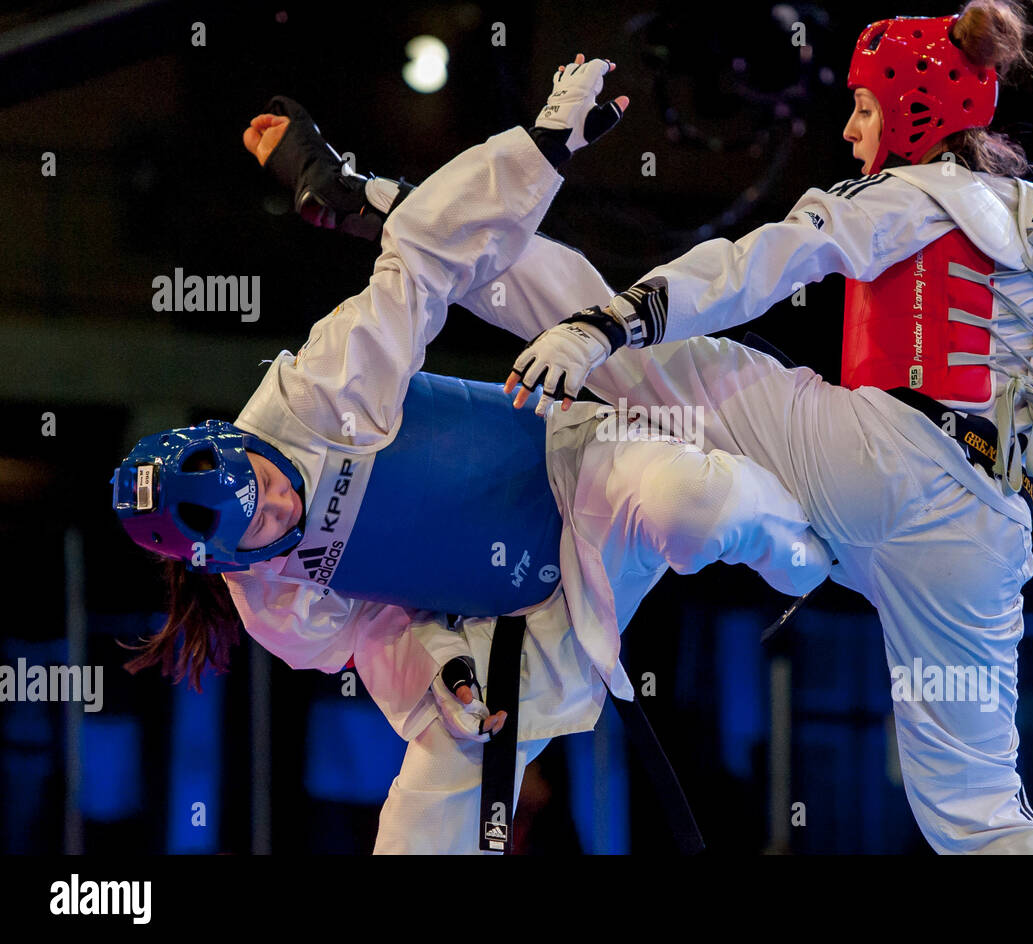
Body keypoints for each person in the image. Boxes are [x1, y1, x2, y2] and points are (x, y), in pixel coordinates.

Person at [112, 56, 831, 854]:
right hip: (525, 621)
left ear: (236, 443)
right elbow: (380, 628)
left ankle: (813, 547)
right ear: (221, 562)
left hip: (581, 471)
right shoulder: (275, 605)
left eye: (263, 485)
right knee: (425, 821)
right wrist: (446, 669)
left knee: (697, 510)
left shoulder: (315, 397)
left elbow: (423, 259)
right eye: (258, 526)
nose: (281, 504)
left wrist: (542, 146)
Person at [505, 3, 1033, 853]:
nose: (851, 126)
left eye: (865, 106)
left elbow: (755, 265)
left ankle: (463, 249)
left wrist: (612, 324)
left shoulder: (902, 194)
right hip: (987, 531)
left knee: (686, 369)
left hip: (880, 459)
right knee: (979, 811)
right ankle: (783, 543)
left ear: (912, 112)